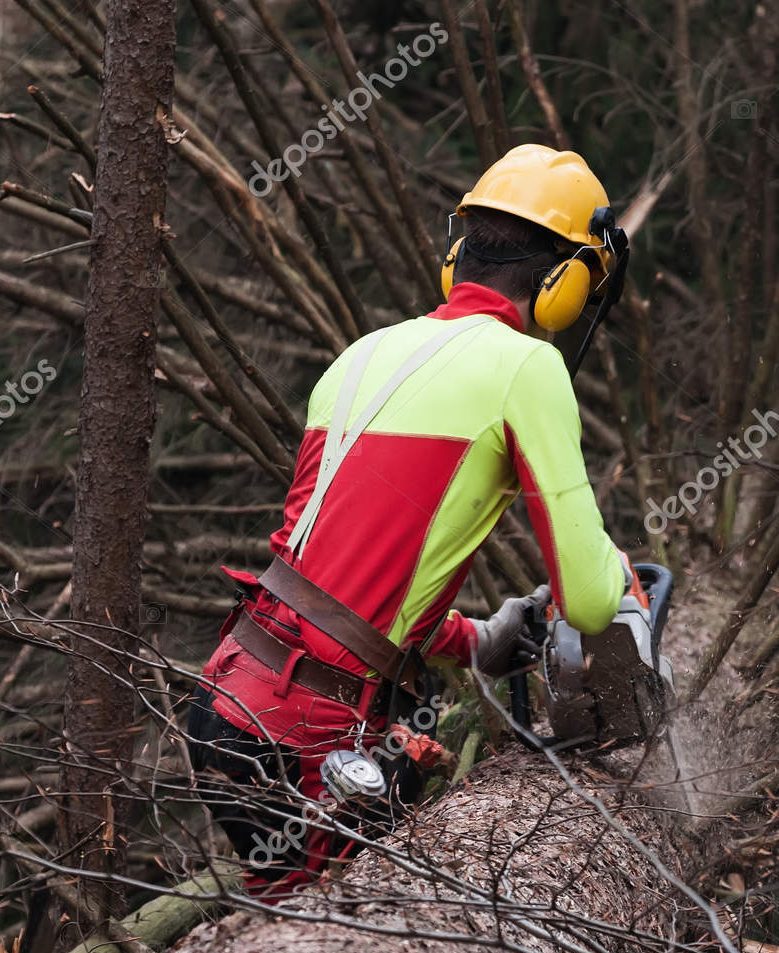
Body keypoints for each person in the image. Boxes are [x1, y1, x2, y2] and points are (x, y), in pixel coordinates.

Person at [188, 144, 632, 898]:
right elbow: (589, 603)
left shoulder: (361, 356)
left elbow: (339, 583)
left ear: (460, 256)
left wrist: (480, 639)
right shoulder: (528, 368)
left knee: (289, 932)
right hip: (313, 730)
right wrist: (617, 575)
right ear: (564, 282)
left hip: (227, 703)